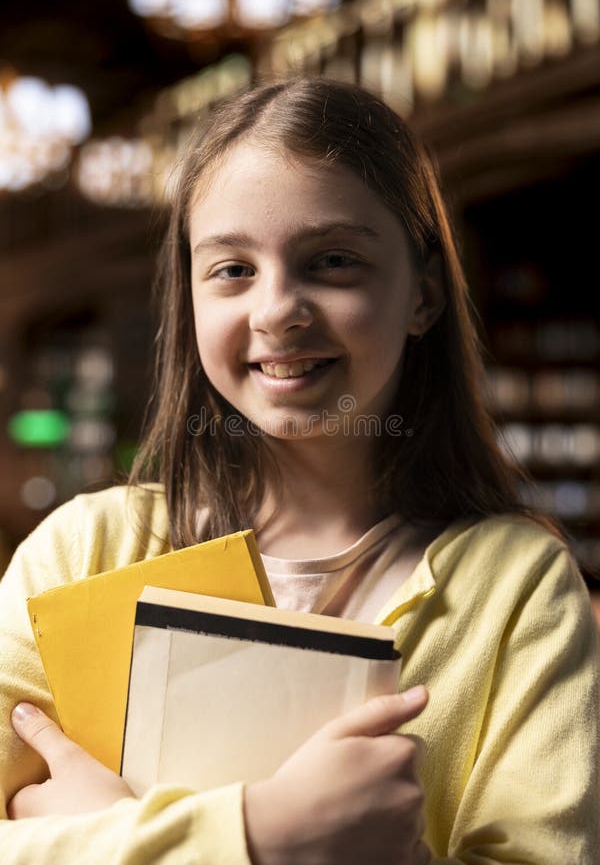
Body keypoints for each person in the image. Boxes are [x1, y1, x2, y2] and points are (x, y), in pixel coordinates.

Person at [1, 76, 598, 864]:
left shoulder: (517, 591)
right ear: (190, 294)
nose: (278, 309)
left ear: (421, 295)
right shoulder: (83, 549)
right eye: (233, 269)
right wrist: (259, 835)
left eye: (334, 261)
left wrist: (105, 835)